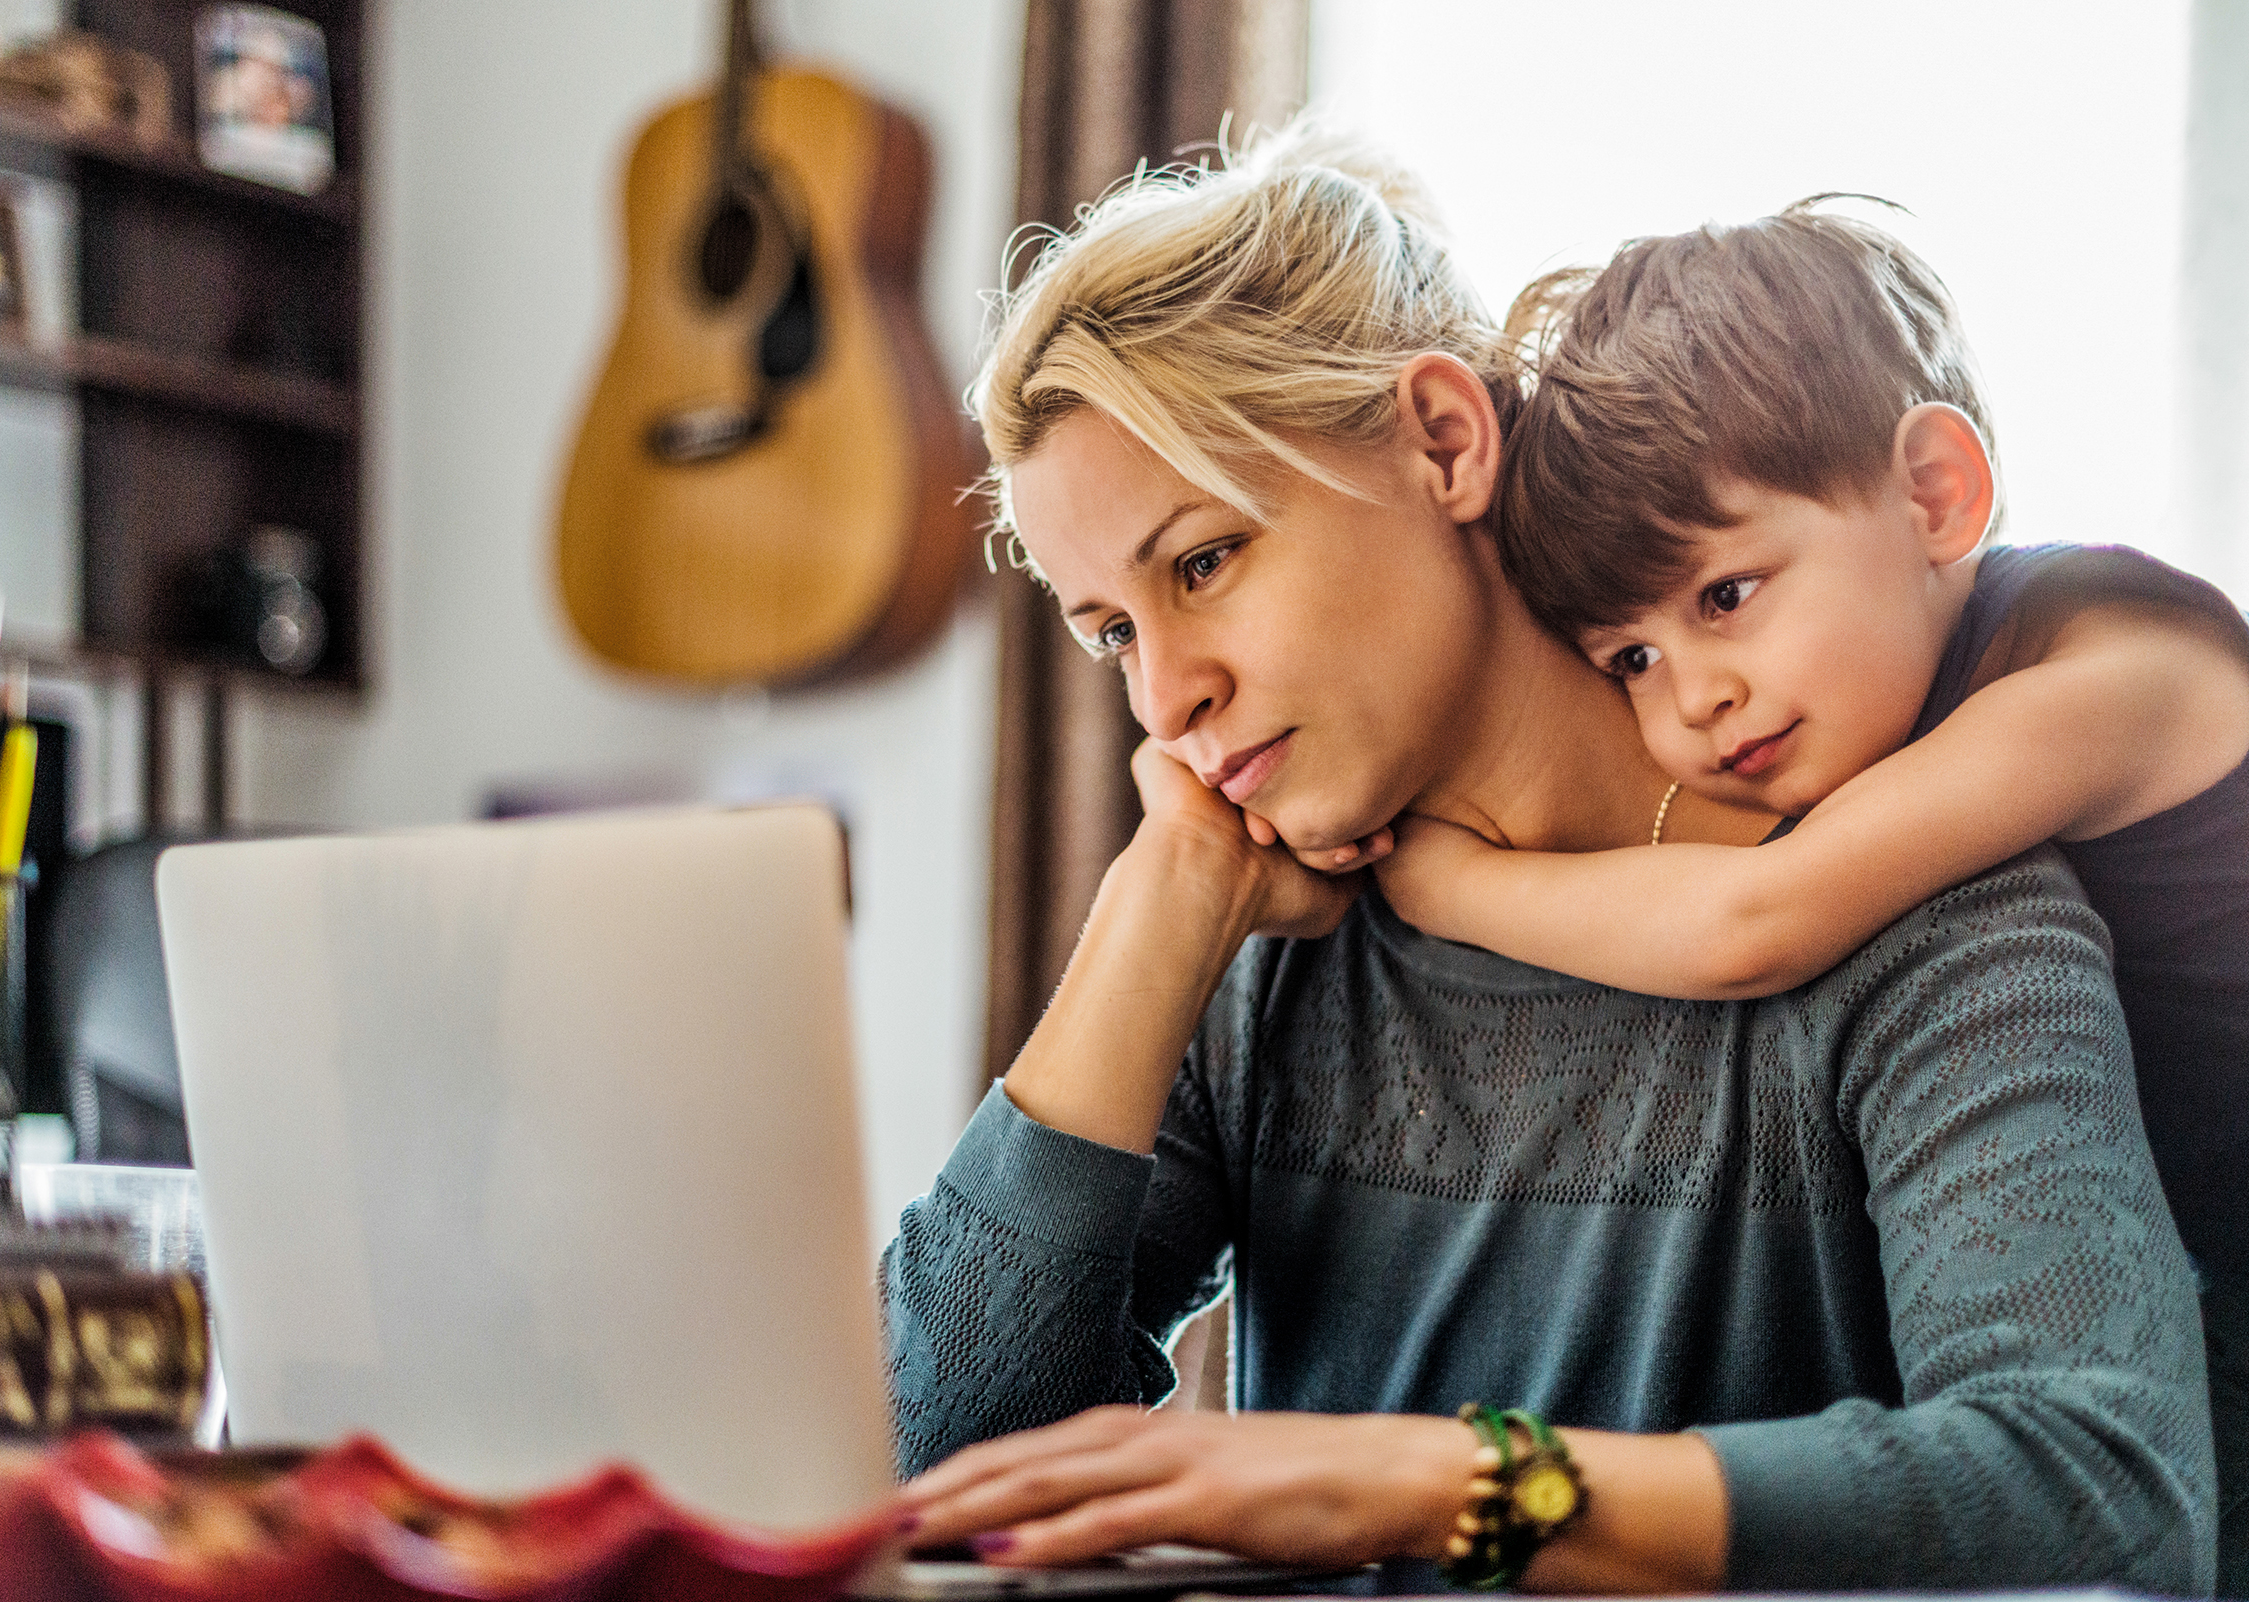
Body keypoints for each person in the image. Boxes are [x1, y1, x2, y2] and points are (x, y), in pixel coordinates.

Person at [884, 124, 2216, 1594]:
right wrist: (1161, 900)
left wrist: (1445, 1485)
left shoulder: (1925, 908)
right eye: (1112, 635)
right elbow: (925, 1479)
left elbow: (2106, 1499)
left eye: (1204, 561)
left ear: (1446, 441)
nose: (1164, 701)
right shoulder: (1255, 951)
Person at [1359, 206, 2249, 1592]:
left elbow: (1755, 923)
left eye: (1725, 595)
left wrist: (1446, 878)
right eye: (1631, 658)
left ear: (1937, 496)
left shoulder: (2113, 668)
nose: (1693, 699)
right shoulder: (1893, 702)